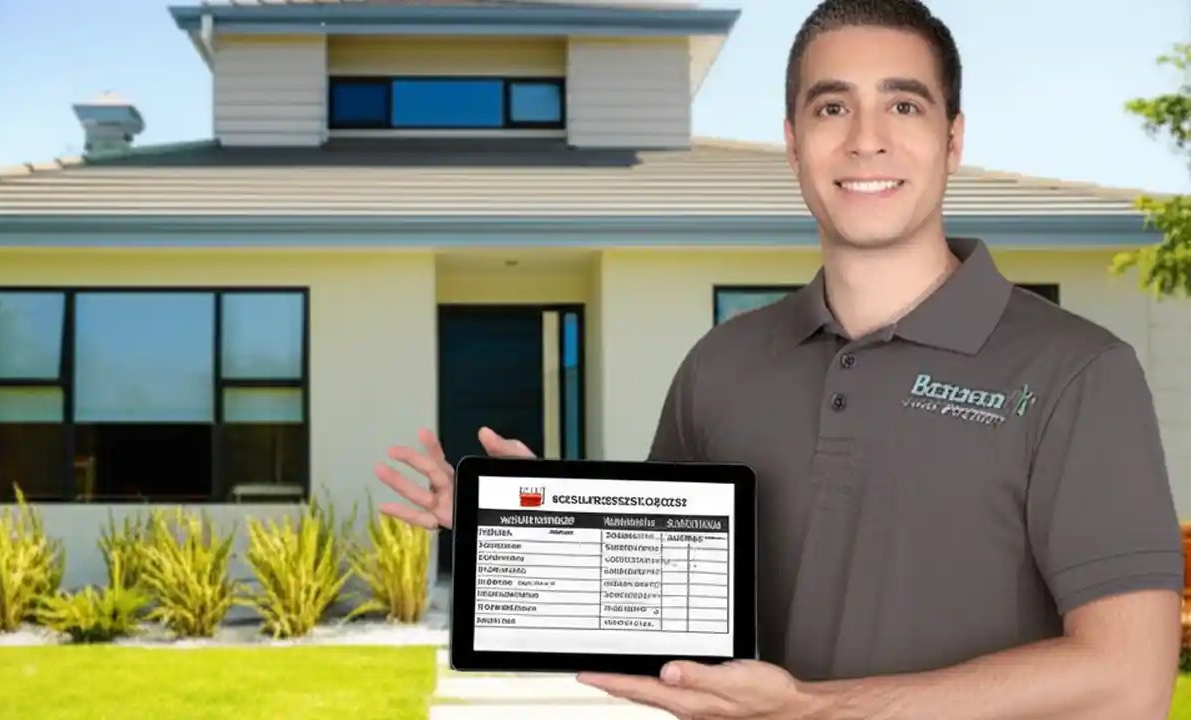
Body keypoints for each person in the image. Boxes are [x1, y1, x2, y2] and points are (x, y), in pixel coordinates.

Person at [375, 0, 1186, 716]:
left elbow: (1131, 681)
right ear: (794, 142)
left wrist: (818, 711)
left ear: (953, 137)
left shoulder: (1078, 372)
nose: (867, 140)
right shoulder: (721, 365)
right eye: (833, 107)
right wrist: (532, 525)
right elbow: (670, 622)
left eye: (903, 104)